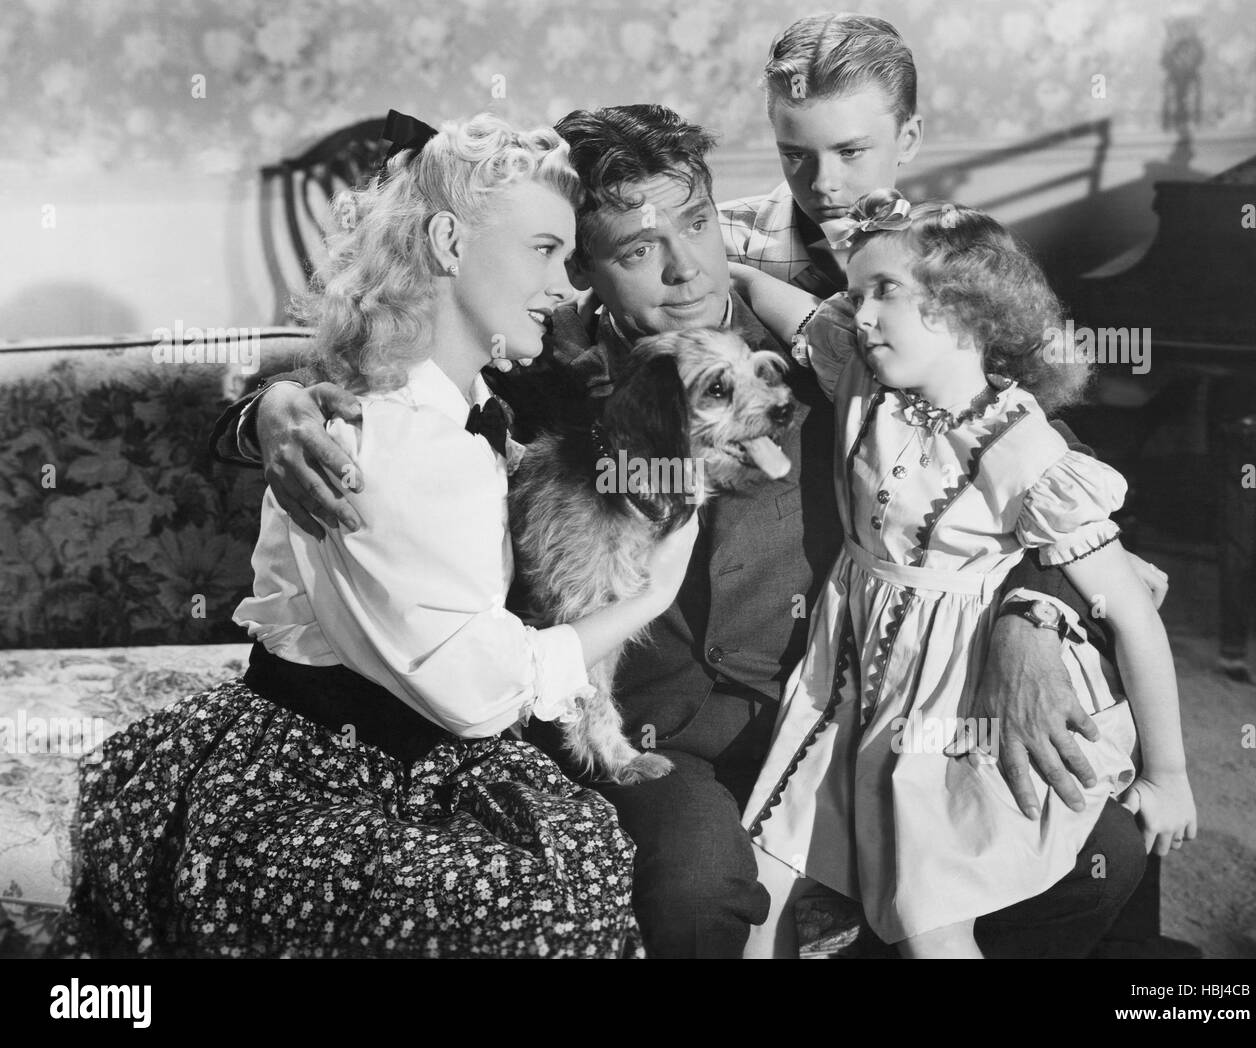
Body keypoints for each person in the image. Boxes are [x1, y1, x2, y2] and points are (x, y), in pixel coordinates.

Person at [211, 104, 1157, 958]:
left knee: (1110, 846)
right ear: (578, 268)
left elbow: (1043, 462)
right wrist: (272, 409)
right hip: (658, 729)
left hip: (840, 708)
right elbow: (392, 382)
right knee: (697, 893)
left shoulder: (842, 343)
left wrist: (1032, 617)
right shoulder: (537, 364)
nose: (684, 269)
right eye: (633, 250)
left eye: (697, 225)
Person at [54, 112, 700, 959]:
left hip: (424, 739)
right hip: (335, 764)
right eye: (545, 251)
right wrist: (654, 592)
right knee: (534, 904)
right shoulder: (383, 436)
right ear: (448, 241)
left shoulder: (475, 396)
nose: (567, 286)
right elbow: (474, 695)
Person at [721, 11, 1188, 957]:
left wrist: (1036, 613)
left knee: (1102, 841)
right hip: (805, 640)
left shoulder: (949, 262)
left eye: (852, 150)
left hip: (944, 642)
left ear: (910, 140)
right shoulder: (729, 258)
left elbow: (1042, 442)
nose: (826, 185)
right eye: (795, 154)